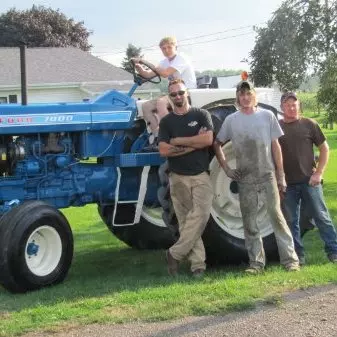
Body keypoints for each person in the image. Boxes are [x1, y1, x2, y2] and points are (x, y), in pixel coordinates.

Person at [213, 81, 300, 274]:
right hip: (245, 178)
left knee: (276, 217)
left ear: (254, 95)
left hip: (267, 175)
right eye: (241, 94)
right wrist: (226, 169)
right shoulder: (231, 120)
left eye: (248, 93)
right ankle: (256, 263)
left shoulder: (267, 116)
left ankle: (290, 260)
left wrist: (281, 175)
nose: (245, 97)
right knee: (249, 221)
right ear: (238, 97)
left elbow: (276, 147)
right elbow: (217, 143)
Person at [158, 79, 213, 278]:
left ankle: (174, 253)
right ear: (169, 97)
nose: (178, 97)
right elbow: (164, 150)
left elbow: (207, 140)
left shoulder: (201, 115)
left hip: (200, 175)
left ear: (186, 92)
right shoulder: (166, 122)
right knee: (185, 221)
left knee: (201, 215)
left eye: (180, 92)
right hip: (177, 177)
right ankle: (198, 266)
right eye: (173, 94)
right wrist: (193, 144)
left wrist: (179, 142)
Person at [279, 92, 337, 266]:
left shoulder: (310, 124)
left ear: (299, 105)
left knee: (322, 217)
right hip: (288, 184)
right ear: (282, 107)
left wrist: (318, 173)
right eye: (288, 104)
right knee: (291, 221)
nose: (291, 107)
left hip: (310, 181)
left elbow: (325, 149)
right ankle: (298, 256)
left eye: (294, 104)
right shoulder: (277, 126)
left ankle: (333, 251)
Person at [132, 36, 196, 145]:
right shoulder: (164, 62)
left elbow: (165, 73)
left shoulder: (181, 59)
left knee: (161, 103)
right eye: (163, 49)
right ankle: (157, 137)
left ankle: (171, 134)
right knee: (146, 106)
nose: (166, 51)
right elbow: (148, 74)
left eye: (169, 47)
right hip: (173, 93)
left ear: (176, 47)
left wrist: (145, 61)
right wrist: (140, 68)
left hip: (186, 92)